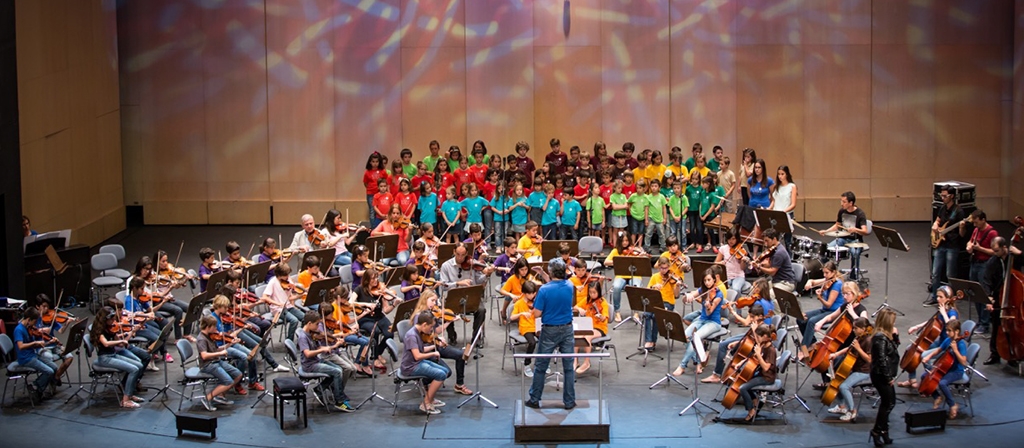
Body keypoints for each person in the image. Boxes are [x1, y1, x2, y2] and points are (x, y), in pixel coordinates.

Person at [524, 259, 577, 410]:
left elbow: (537, 314)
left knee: (541, 366)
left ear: (552, 272)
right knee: (568, 367)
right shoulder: (570, 286)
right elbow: (556, 284)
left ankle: (535, 398)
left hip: (549, 330)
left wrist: (531, 310)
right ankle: (569, 401)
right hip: (567, 329)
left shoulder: (544, 290)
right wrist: (543, 274)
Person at [409, 290, 472, 396]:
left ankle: (459, 385)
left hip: (435, 344)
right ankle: (424, 381)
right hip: (425, 348)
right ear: (425, 300)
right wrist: (436, 341)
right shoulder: (418, 317)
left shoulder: (432, 313)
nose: (435, 303)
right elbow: (421, 338)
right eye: (432, 300)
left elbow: (437, 330)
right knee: (446, 372)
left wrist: (448, 321)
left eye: (436, 300)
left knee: (461, 355)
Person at [701, 294, 771, 384]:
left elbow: (759, 345)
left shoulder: (762, 329)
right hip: (747, 340)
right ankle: (720, 373)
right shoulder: (756, 323)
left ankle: (716, 375)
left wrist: (753, 331)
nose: (751, 320)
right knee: (724, 344)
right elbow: (749, 337)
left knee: (723, 345)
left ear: (761, 316)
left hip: (756, 350)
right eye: (750, 317)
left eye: (753, 317)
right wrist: (738, 342)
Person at [899, 285, 959, 388]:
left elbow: (951, 325)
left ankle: (931, 380)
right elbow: (933, 321)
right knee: (910, 349)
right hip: (940, 342)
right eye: (937, 296)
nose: (938, 299)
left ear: (948, 299)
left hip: (947, 345)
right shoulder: (943, 309)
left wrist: (944, 313)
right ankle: (912, 380)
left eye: (941, 297)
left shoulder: (952, 312)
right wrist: (917, 326)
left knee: (923, 355)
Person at [296, 311, 355, 413]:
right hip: (310, 365)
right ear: (309, 323)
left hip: (317, 360)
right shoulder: (303, 337)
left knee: (340, 369)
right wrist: (322, 350)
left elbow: (319, 347)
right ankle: (339, 401)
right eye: (316, 324)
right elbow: (308, 354)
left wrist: (333, 346)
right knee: (337, 372)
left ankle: (320, 389)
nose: (318, 327)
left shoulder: (312, 333)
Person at [438, 242, 495, 346]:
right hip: (453, 298)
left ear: (467, 253)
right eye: (458, 254)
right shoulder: (446, 266)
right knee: (444, 311)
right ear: (454, 252)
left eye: (463, 255)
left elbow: (478, 281)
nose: (460, 258)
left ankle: (476, 337)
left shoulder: (473, 264)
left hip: (471, 297)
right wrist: (457, 283)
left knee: (481, 310)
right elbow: (443, 286)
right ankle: (452, 336)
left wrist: (487, 275)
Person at [90, 306, 145, 409]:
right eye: (111, 318)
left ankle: (129, 392)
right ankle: (125, 400)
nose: (114, 320)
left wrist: (132, 332)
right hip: (105, 358)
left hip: (113, 355)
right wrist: (120, 341)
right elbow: (106, 344)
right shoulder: (99, 331)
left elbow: (121, 345)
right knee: (133, 369)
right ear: (104, 319)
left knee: (139, 365)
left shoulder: (111, 328)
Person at [673, 268, 723, 375]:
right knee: (685, 336)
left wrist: (708, 306)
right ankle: (699, 361)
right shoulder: (703, 290)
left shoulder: (718, 295)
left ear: (714, 280)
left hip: (713, 323)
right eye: (705, 280)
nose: (707, 283)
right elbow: (686, 299)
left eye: (709, 280)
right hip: (702, 319)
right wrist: (687, 297)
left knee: (695, 338)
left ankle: (682, 366)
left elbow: (709, 313)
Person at [402, 311, 450, 415]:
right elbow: (418, 355)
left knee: (445, 371)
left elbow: (421, 349)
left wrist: (435, 346)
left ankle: (430, 399)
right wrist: (434, 353)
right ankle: (426, 403)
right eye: (431, 327)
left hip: (416, 362)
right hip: (411, 367)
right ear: (424, 325)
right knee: (441, 375)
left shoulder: (418, 332)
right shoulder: (412, 335)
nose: (431, 330)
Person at [825, 317, 873, 421]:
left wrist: (859, 349)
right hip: (855, 368)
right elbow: (849, 348)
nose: (853, 330)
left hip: (864, 371)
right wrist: (836, 354)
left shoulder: (869, 340)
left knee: (844, 387)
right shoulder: (859, 337)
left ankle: (852, 411)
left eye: (855, 328)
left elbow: (869, 359)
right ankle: (842, 406)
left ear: (863, 328)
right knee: (836, 381)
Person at [796, 261, 844, 362]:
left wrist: (820, 297)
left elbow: (829, 304)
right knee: (800, 318)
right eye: (824, 273)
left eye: (827, 273)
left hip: (834, 312)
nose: (825, 275)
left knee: (812, 321)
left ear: (833, 272)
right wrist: (809, 282)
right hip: (824, 310)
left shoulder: (837, 284)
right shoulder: (828, 280)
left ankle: (803, 350)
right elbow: (813, 281)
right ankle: (812, 343)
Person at [925, 186, 966, 306]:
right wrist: (935, 226)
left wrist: (962, 226)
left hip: (952, 245)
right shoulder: (943, 208)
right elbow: (938, 220)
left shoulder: (959, 211)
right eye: (941, 196)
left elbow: (962, 234)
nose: (942, 198)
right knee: (936, 272)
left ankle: (949, 299)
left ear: (952, 196)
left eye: (945, 196)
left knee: (950, 274)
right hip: (940, 244)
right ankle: (935, 296)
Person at [981, 236, 1017, 367]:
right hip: (998, 297)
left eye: (996, 250)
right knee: (996, 326)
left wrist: (1020, 253)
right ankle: (995, 354)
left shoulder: (1014, 258)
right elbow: (986, 281)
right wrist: (989, 298)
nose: (994, 253)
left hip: (1014, 297)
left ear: (1004, 248)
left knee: (1014, 327)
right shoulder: (993, 262)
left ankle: (1013, 354)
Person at [194, 315, 244, 411]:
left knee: (238, 375)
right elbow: (204, 355)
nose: (216, 329)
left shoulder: (210, 336)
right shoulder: (201, 339)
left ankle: (220, 396)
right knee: (228, 381)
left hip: (216, 361)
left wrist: (230, 343)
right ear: (208, 327)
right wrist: (220, 353)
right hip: (208, 365)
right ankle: (207, 398)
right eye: (214, 326)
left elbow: (217, 349)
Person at [818, 191, 869, 280]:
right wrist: (826, 231)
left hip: (855, 241)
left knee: (854, 253)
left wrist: (855, 229)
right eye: (841, 201)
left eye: (844, 202)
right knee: (826, 250)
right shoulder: (842, 211)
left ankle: (854, 277)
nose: (841, 204)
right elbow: (837, 225)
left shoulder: (860, 214)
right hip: (843, 239)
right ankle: (827, 274)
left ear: (851, 203)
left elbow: (865, 231)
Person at [923, 320, 968, 419]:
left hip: (957, 371)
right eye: (946, 330)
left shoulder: (961, 344)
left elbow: (964, 362)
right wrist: (928, 356)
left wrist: (955, 350)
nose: (947, 333)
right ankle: (937, 397)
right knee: (924, 376)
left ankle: (953, 405)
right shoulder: (948, 340)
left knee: (942, 383)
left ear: (956, 331)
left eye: (949, 331)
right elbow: (939, 350)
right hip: (945, 368)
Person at [13, 307, 60, 402]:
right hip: (25, 358)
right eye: (34, 321)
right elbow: (21, 346)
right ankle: (36, 388)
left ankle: (39, 387)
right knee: (49, 371)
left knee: (54, 367)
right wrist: (34, 343)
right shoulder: (19, 330)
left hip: (33, 355)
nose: (35, 325)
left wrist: (49, 342)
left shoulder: (29, 328)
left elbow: (35, 346)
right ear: (29, 319)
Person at [354, 268, 396, 372]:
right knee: (375, 331)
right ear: (367, 280)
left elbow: (386, 310)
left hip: (379, 316)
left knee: (390, 333)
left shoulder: (380, 291)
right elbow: (350, 302)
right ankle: (375, 358)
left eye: (377, 277)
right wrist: (366, 304)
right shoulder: (359, 289)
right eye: (373, 278)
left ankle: (378, 353)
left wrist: (395, 304)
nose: (376, 280)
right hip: (365, 318)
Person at [870, 309, 900, 447]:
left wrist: (896, 337)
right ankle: (876, 431)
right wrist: (888, 378)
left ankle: (884, 431)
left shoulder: (886, 336)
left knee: (890, 403)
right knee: (887, 403)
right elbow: (882, 360)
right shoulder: (880, 338)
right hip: (881, 375)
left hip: (885, 375)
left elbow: (892, 351)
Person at [966, 209, 999, 334]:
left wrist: (980, 248)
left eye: (976, 222)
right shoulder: (976, 230)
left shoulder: (992, 233)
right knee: (975, 293)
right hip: (975, 262)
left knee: (983, 295)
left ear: (983, 220)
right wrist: (969, 246)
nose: (975, 225)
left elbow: (995, 252)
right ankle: (980, 320)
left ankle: (985, 323)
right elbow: (971, 241)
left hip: (985, 265)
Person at [738, 324, 778, 422]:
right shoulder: (764, 344)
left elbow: (765, 368)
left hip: (767, 378)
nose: (757, 339)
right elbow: (757, 341)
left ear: (765, 337)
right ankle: (755, 401)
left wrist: (759, 355)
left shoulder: (771, 350)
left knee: (742, 388)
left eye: (759, 336)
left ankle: (751, 410)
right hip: (761, 374)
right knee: (744, 381)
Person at [256, 263, 305, 340]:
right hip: (277, 309)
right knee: (294, 321)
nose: (288, 277)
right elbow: (265, 297)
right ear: (279, 275)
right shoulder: (272, 282)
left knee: (304, 317)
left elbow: (290, 298)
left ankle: (302, 339)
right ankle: (289, 341)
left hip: (288, 306)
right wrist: (278, 303)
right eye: (286, 275)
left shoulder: (288, 280)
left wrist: (299, 296)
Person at [643, 257, 682, 350]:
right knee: (646, 314)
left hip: (668, 303)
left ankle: (653, 341)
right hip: (655, 301)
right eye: (661, 268)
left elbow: (676, 295)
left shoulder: (672, 278)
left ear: (669, 267)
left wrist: (677, 286)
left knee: (656, 315)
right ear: (658, 267)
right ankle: (648, 340)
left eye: (665, 268)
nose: (663, 271)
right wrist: (654, 286)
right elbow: (647, 291)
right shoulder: (655, 277)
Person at [573, 282, 609, 375]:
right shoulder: (587, 300)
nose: (592, 295)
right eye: (590, 292)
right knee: (576, 335)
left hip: (600, 328)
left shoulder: (603, 303)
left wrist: (600, 317)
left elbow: (604, 317)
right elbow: (575, 306)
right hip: (588, 326)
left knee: (586, 337)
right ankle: (575, 360)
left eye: (594, 292)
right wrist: (580, 309)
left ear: (599, 292)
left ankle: (587, 362)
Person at [510, 282, 540, 377]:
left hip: (536, 326)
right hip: (525, 327)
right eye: (529, 294)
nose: (532, 296)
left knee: (546, 340)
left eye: (533, 293)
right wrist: (521, 314)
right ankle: (526, 364)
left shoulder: (537, 302)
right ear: (524, 293)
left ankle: (541, 363)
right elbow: (512, 317)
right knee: (532, 343)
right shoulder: (519, 303)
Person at [756, 228, 797, 293]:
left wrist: (759, 267)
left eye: (767, 241)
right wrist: (761, 264)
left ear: (774, 239)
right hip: (776, 281)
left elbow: (772, 272)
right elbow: (771, 265)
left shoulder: (779, 252)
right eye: (764, 241)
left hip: (785, 283)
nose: (765, 244)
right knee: (756, 290)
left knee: (770, 295)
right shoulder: (773, 250)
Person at [768, 165, 797, 250]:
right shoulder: (777, 186)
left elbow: (793, 204)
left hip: (786, 215)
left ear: (787, 174)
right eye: (778, 174)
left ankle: (788, 260)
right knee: (774, 239)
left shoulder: (792, 186)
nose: (780, 176)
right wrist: (769, 208)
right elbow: (774, 201)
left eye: (782, 174)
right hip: (776, 215)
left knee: (787, 241)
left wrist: (783, 211)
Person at [716, 227, 751, 295]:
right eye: (729, 239)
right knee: (719, 288)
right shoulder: (723, 248)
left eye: (733, 239)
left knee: (735, 289)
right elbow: (715, 263)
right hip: (726, 276)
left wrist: (743, 261)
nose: (730, 241)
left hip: (738, 276)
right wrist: (720, 263)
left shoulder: (741, 249)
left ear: (737, 239)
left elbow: (742, 268)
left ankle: (737, 304)